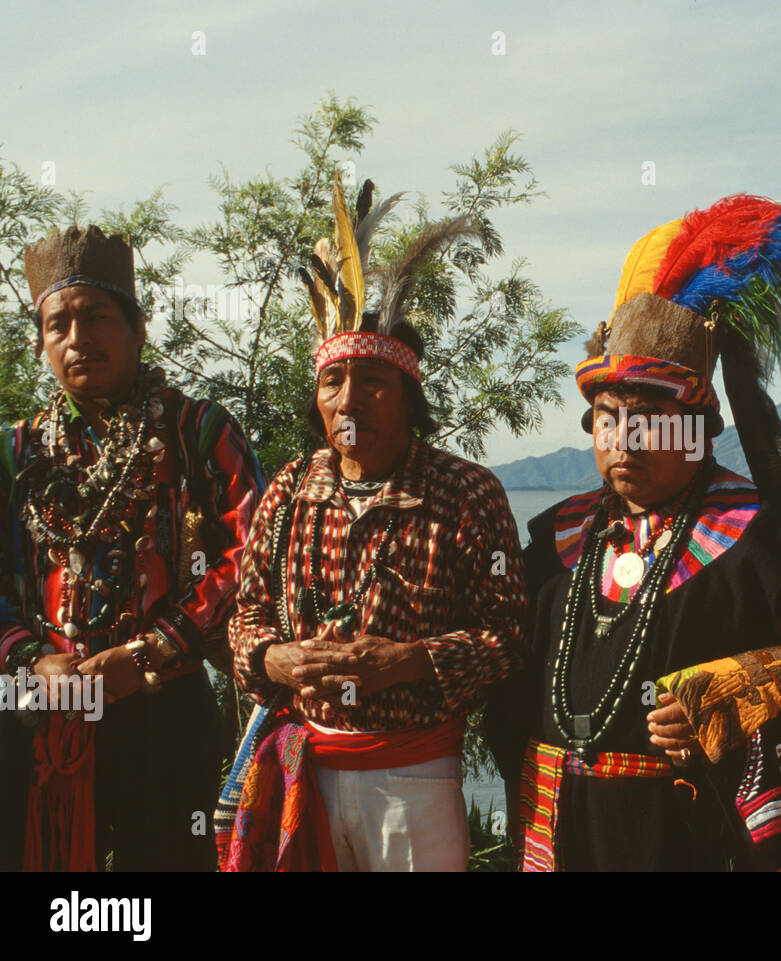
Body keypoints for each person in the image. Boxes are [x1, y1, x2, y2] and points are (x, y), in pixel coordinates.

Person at [486, 193, 781, 870]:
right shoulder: (560, 537)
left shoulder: (763, 538)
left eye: (646, 417)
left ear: (697, 430)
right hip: (560, 829)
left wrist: (724, 690)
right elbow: (510, 676)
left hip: (694, 834)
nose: (623, 440)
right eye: (606, 418)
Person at [221, 177, 526, 871]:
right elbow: (245, 614)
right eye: (333, 381)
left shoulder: (465, 491)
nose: (350, 397)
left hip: (414, 778)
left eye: (373, 382)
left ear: (408, 396)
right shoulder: (290, 491)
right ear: (317, 397)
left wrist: (406, 663)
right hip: (303, 766)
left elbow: (509, 634)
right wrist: (276, 658)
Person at [0, 225, 264, 870]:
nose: (77, 338)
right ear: (40, 344)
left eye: (97, 317)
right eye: (57, 324)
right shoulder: (14, 452)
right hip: (40, 709)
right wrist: (32, 660)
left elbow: (252, 553)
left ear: (138, 329)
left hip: (162, 704)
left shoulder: (198, 431)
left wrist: (152, 650)